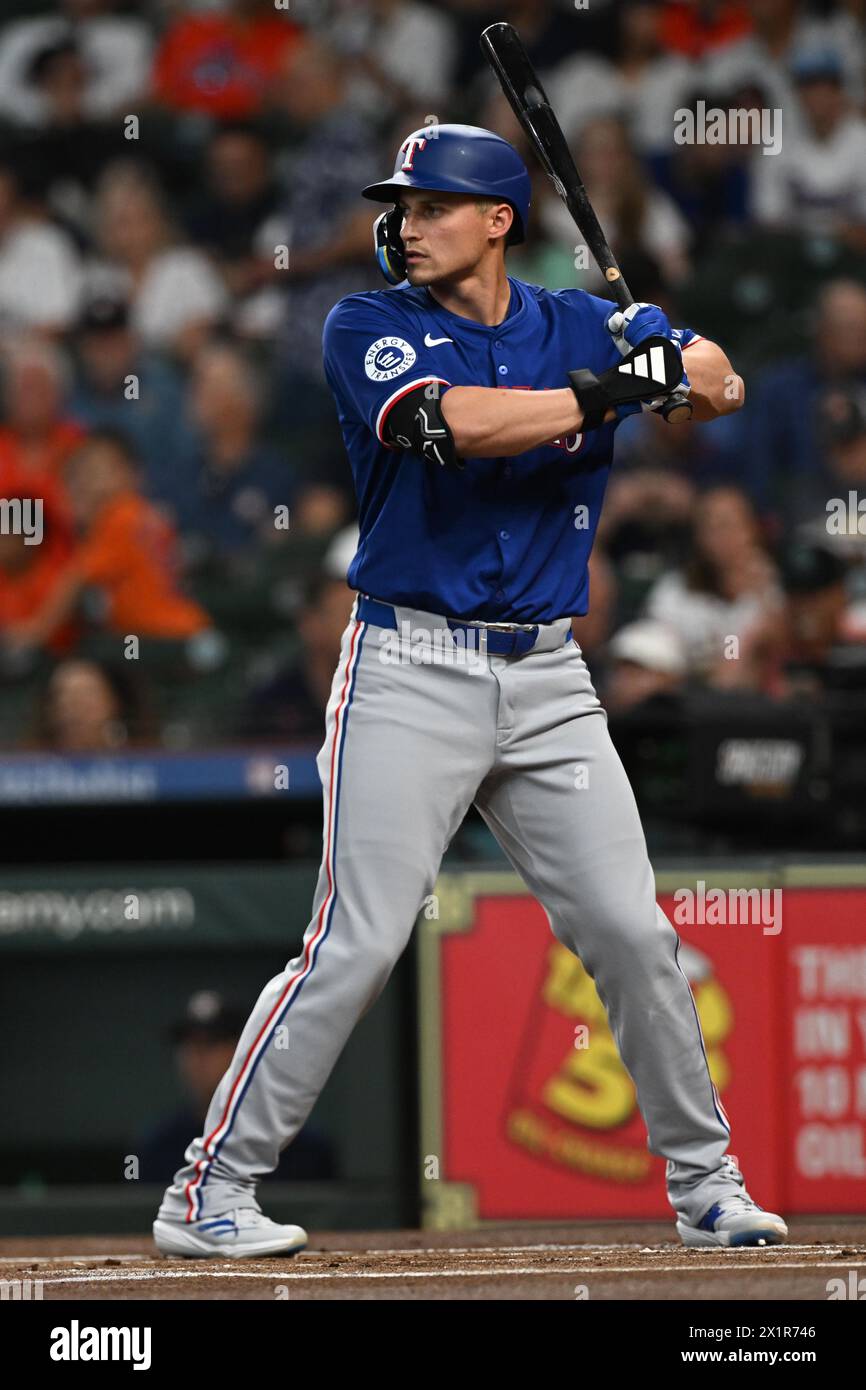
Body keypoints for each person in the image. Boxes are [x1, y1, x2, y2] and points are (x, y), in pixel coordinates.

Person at [153, 123, 788, 1260]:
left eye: (431, 204)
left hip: (548, 673)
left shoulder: (571, 320)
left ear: (498, 219)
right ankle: (209, 1190)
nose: (405, 222)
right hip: (410, 665)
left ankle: (706, 1187)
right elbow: (445, 426)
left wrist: (662, 355)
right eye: (398, 206)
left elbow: (721, 381)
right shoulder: (370, 321)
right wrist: (613, 388)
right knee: (355, 940)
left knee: (634, 936)